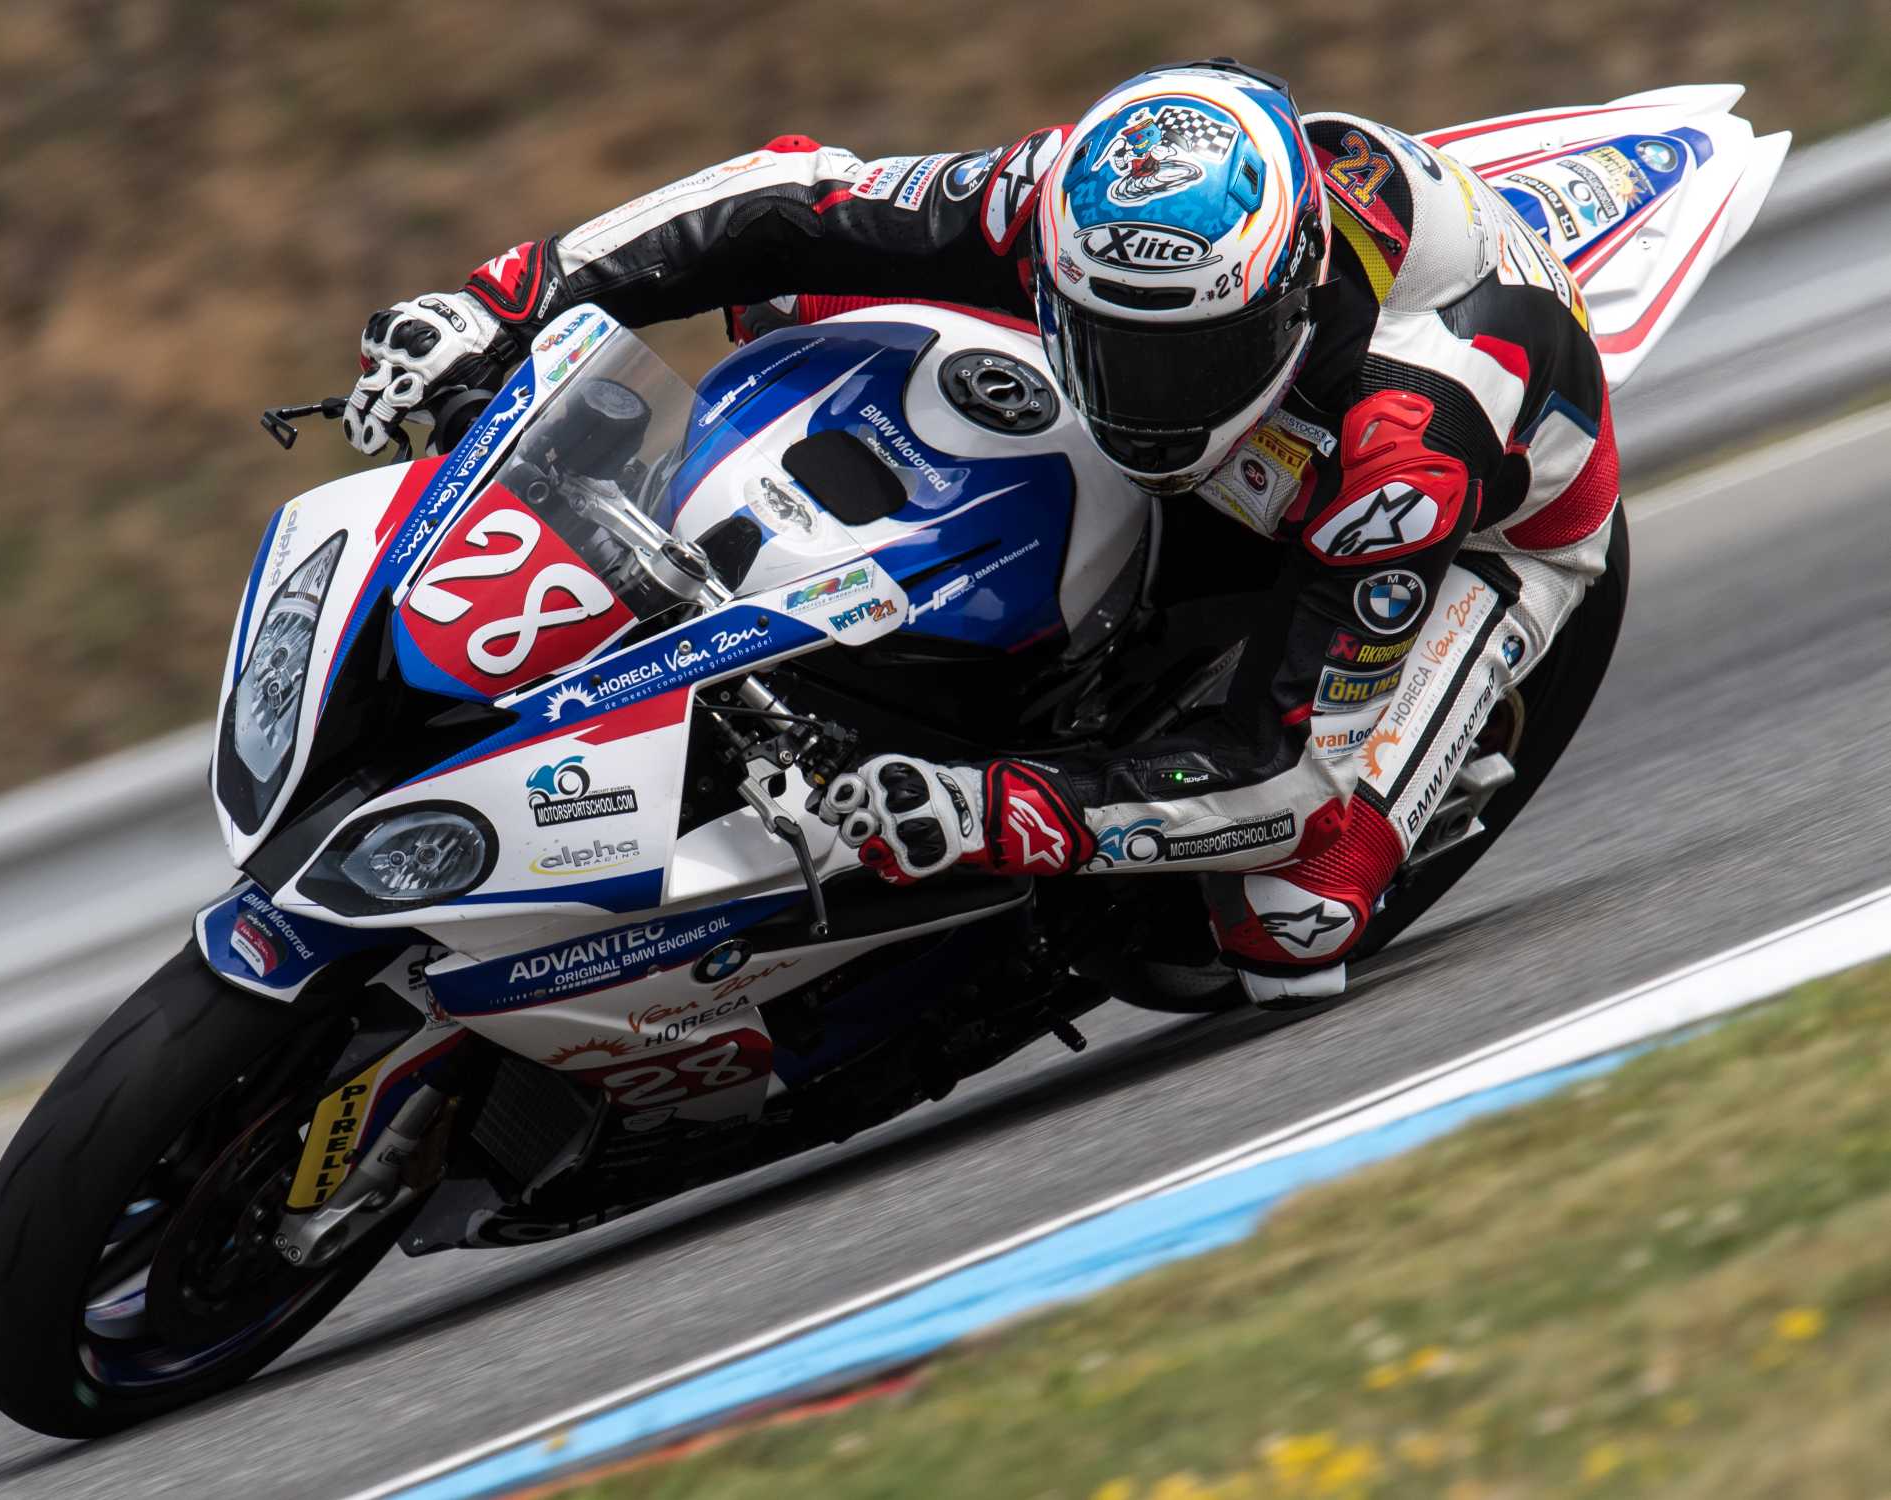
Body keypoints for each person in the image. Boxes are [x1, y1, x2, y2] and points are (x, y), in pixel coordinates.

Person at [338, 60, 1620, 1006]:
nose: (1141, 395)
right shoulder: (1060, 200)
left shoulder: (1407, 455)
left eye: (1185, 357)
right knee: (797, 284)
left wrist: (1001, 811)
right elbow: (796, 194)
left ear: (1283, 300)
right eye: (1108, 338)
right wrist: (506, 298)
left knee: (1290, 923)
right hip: (1265, 413)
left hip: (1479, 536)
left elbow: (1276, 774)